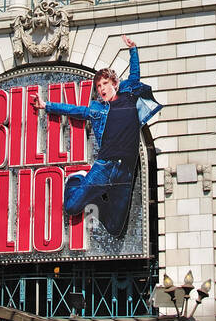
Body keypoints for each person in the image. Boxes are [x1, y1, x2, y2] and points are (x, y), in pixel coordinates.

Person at [31, 34, 161, 239]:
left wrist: (133, 50)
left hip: (126, 170)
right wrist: (46, 105)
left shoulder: (129, 94)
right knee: (72, 206)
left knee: (115, 227)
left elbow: (135, 75)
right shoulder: (97, 110)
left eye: (105, 84)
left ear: (115, 84)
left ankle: (98, 194)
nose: (101, 89)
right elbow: (73, 110)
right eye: (98, 86)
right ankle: (77, 179)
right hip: (104, 167)